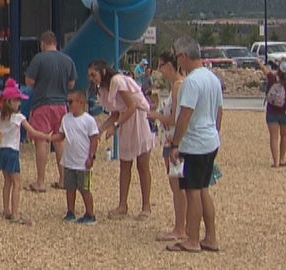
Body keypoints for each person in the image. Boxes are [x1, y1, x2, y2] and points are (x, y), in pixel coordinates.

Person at [166, 36, 223, 253]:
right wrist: (215, 134)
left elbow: (185, 116)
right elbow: (219, 111)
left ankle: (192, 239)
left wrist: (175, 143)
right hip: (210, 139)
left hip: (195, 142)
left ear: (183, 56)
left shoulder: (191, 82)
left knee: (192, 191)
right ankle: (210, 237)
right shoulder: (212, 78)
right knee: (204, 189)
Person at [89, 59, 155, 219]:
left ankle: (146, 206)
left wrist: (116, 126)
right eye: (90, 76)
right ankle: (122, 205)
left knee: (142, 164)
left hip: (137, 118)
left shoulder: (118, 81)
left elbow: (131, 106)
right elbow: (115, 112)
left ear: (102, 71)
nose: (92, 78)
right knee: (125, 164)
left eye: (93, 74)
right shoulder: (104, 90)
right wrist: (101, 129)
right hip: (125, 121)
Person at [0, 79, 52, 225]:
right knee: (17, 184)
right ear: (10, 101)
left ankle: (6, 210)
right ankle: (16, 214)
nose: (20, 103)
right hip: (12, 151)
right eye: (18, 100)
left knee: (7, 182)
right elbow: (33, 132)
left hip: (2, 150)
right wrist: (46, 136)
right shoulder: (18, 117)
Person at [24, 30, 75, 193]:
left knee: (41, 141)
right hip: (61, 104)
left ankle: (40, 181)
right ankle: (63, 179)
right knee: (59, 141)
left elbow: (29, 81)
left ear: (43, 44)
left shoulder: (39, 58)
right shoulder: (67, 60)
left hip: (42, 103)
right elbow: (72, 84)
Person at [148, 51, 187, 242]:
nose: (160, 71)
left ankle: (180, 227)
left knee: (178, 186)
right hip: (172, 139)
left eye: (161, 66)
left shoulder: (178, 87)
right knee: (179, 186)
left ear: (169, 66)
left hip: (174, 141)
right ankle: (182, 225)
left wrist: (156, 116)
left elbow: (175, 119)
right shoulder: (179, 86)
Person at [49, 89, 101, 225]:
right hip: (69, 160)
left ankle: (90, 214)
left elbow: (94, 140)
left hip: (83, 162)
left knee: (85, 189)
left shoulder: (89, 120)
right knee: (70, 187)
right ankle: (70, 211)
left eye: (71, 102)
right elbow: (61, 135)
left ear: (81, 102)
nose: (69, 104)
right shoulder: (66, 119)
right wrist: (47, 137)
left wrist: (91, 157)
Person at [258, 57, 286, 167]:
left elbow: (265, 70)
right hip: (285, 112)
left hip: (271, 112)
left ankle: (275, 162)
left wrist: (260, 63)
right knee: (284, 136)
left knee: (273, 137)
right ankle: (282, 159)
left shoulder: (272, 78)